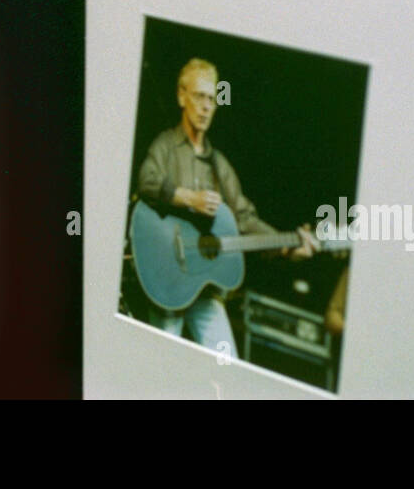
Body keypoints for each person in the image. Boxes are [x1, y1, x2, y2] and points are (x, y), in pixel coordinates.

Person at [134, 58, 315, 353]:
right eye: (198, 96)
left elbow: (244, 218)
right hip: (166, 279)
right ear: (182, 96)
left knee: (226, 359)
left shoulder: (220, 166)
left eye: (212, 99)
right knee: (164, 360)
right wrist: (188, 197)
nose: (206, 107)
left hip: (203, 289)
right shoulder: (165, 145)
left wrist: (287, 245)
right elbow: (147, 180)